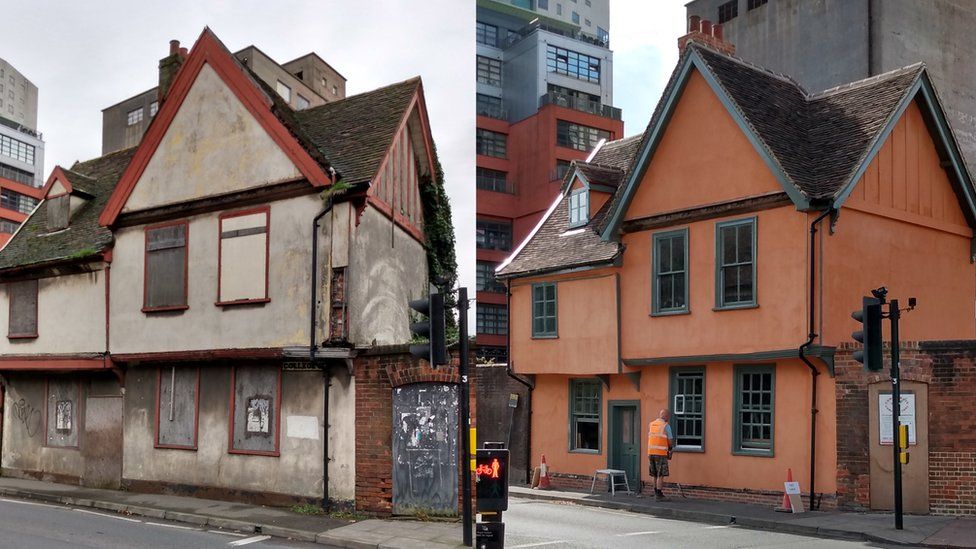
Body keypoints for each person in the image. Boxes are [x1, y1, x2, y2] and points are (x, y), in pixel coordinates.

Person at [647, 408, 675, 501]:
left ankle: (655, 492)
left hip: (651, 452)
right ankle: (659, 495)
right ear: (666, 416)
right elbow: (670, 442)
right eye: (668, 416)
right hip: (660, 453)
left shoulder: (651, 424)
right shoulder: (666, 426)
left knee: (654, 474)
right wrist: (670, 448)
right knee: (660, 474)